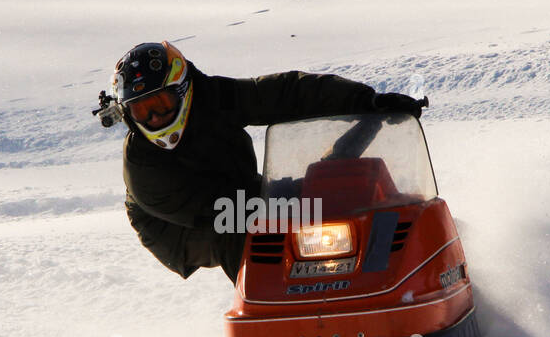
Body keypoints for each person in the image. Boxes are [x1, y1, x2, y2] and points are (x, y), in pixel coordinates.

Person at [95, 41, 426, 282]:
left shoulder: (214, 97)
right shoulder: (142, 167)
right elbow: (222, 211)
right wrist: (295, 201)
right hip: (176, 225)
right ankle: (271, 310)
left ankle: (411, 258)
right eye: (142, 111)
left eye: (162, 104)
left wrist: (365, 101)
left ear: (182, 89)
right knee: (245, 232)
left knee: (333, 192)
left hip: (234, 183)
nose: (154, 118)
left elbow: (285, 94)